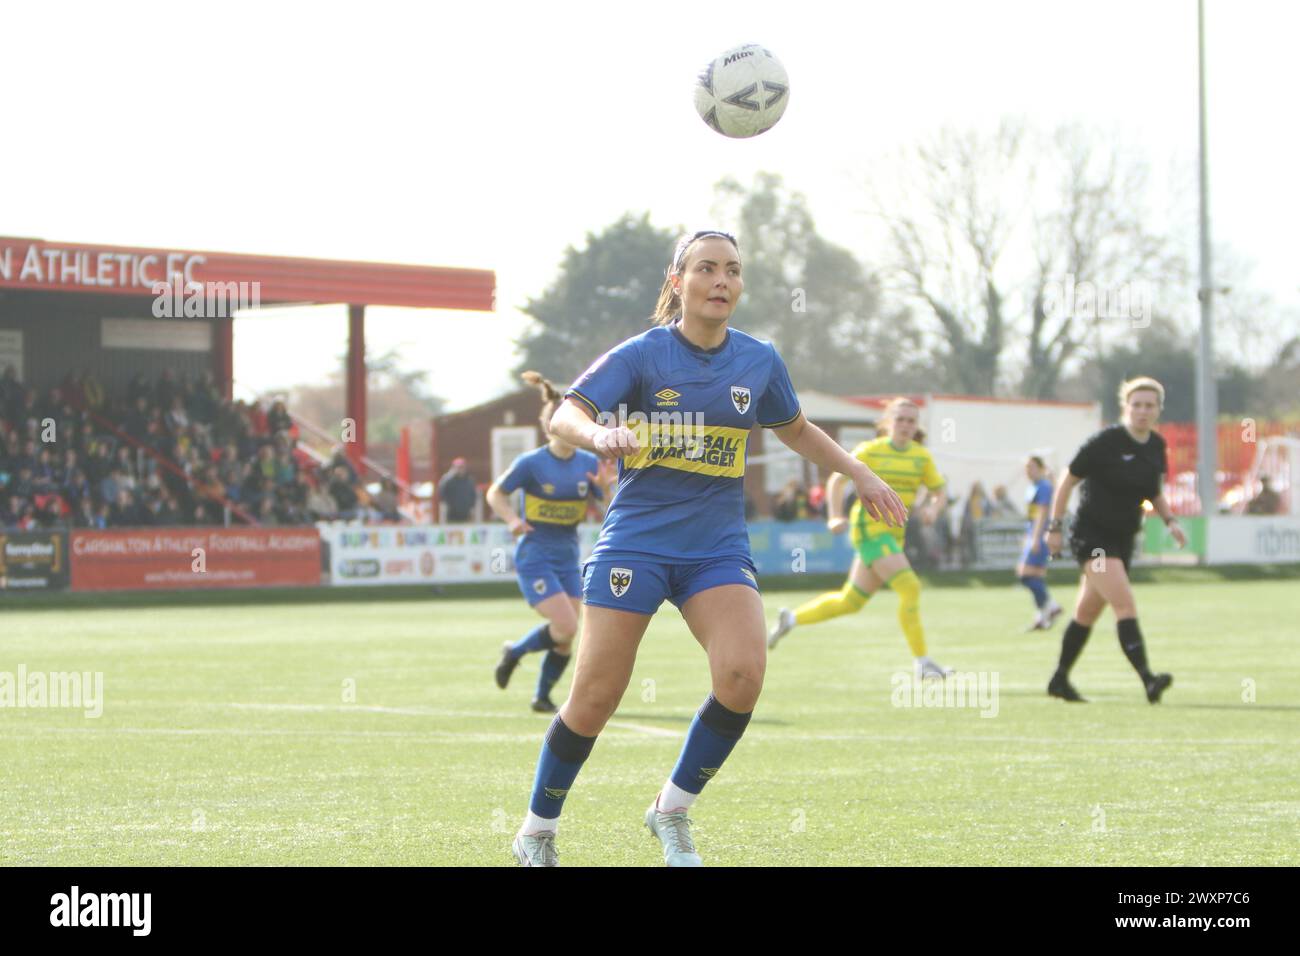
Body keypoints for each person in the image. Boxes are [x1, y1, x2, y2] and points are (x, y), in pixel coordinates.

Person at [509, 230, 905, 867]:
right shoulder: (642, 354)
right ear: (678, 282)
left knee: (744, 676)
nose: (722, 281)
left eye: (733, 271)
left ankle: (671, 810)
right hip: (635, 545)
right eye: (707, 269)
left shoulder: (758, 360)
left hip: (716, 549)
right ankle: (536, 830)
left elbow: (796, 428)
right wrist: (596, 437)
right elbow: (564, 416)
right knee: (595, 698)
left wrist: (857, 471)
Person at [768, 397, 953, 679]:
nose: (905, 425)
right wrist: (834, 514)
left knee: (851, 601)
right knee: (910, 588)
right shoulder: (871, 450)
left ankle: (791, 619)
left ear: (917, 426)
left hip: (893, 535)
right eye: (900, 419)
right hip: (870, 530)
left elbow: (940, 491)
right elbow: (837, 479)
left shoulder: (920, 457)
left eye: (911, 421)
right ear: (888, 422)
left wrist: (934, 508)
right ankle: (923, 663)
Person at [1044, 376, 1185, 704]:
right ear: (1126, 407)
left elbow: (1153, 492)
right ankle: (1149, 679)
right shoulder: (1105, 442)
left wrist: (1170, 521)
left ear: (1158, 410)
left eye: (1150, 405)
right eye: (1136, 404)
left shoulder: (1156, 446)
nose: (1142, 411)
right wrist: (1055, 527)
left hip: (1123, 537)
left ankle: (1059, 678)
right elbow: (1067, 482)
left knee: (1086, 613)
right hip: (1091, 536)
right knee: (1124, 603)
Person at [486, 371, 615, 713]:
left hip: (567, 555)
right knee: (566, 625)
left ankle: (541, 696)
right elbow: (495, 493)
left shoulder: (590, 463)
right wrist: (513, 520)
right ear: (551, 426)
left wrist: (606, 489)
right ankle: (514, 653)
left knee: (566, 636)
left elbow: (609, 507)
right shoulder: (532, 464)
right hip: (535, 555)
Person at [1016, 456, 1063, 631]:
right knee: (1034, 577)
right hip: (1033, 534)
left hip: (1041, 535)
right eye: (1027, 467)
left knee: (1025, 575)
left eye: (1032, 467)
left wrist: (1035, 538)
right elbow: (1032, 515)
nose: (1029, 470)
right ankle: (1042, 617)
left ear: (1041, 468)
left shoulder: (1044, 486)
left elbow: (1042, 514)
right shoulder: (1033, 487)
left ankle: (1051, 606)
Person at [438, 457, 478, 523]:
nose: (460, 469)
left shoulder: (469, 480)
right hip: (451, 512)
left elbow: (473, 495)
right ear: (453, 468)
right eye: (458, 467)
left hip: (465, 512)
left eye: (462, 467)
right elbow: (442, 493)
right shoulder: (447, 480)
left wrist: (472, 508)